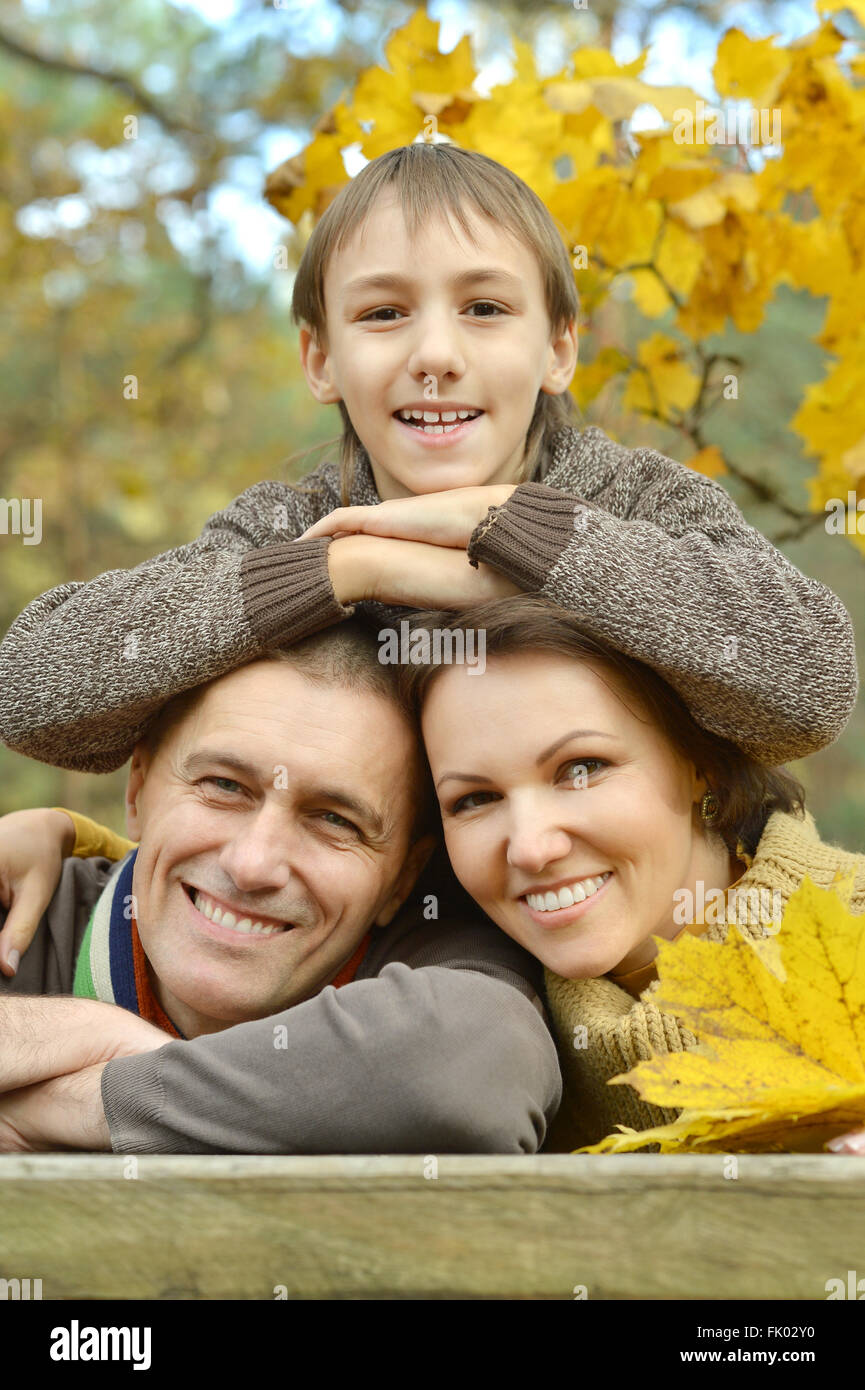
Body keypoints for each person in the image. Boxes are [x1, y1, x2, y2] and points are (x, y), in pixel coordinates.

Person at [0, 141, 857, 988]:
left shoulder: (629, 501)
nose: (435, 355)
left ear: (558, 348)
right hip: (440, 997)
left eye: (485, 308)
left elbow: (808, 684)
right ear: (319, 359)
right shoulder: (294, 527)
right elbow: (38, 690)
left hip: (726, 976)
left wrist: (513, 534)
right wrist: (338, 576)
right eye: (383, 314)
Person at [0, 620, 560, 1155]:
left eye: (335, 820)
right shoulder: (17, 912)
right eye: (223, 785)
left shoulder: (432, 965)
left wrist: (90, 1097)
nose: (252, 865)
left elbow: (485, 1061)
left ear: (403, 880)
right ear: (137, 791)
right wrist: (81, 1027)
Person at [398, 595, 865, 1153]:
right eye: (474, 799)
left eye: (582, 768)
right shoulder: (489, 1039)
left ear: (702, 763)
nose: (530, 848)